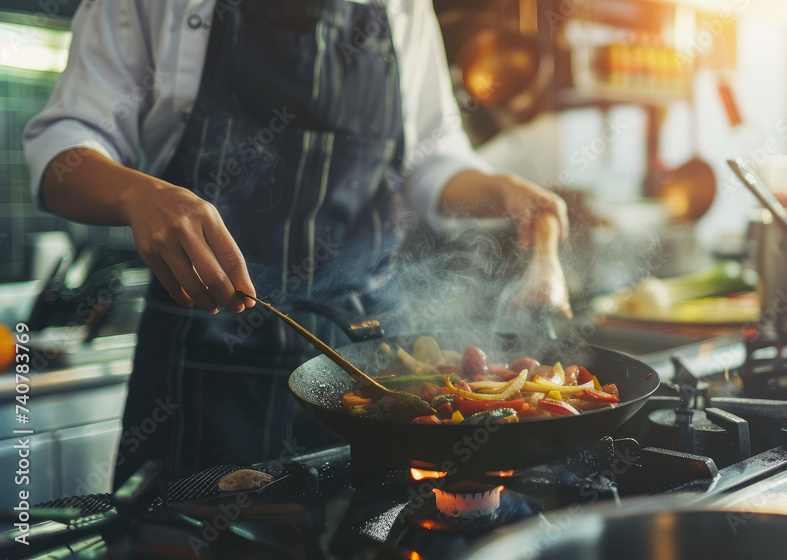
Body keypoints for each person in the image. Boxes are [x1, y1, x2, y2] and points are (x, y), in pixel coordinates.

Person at [22, 0, 570, 486]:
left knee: (365, 536)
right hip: (204, 357)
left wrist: (498, 190)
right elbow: (61, 148)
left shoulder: (403, 8)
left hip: (365, 366)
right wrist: (139, 196)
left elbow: (430, 162)